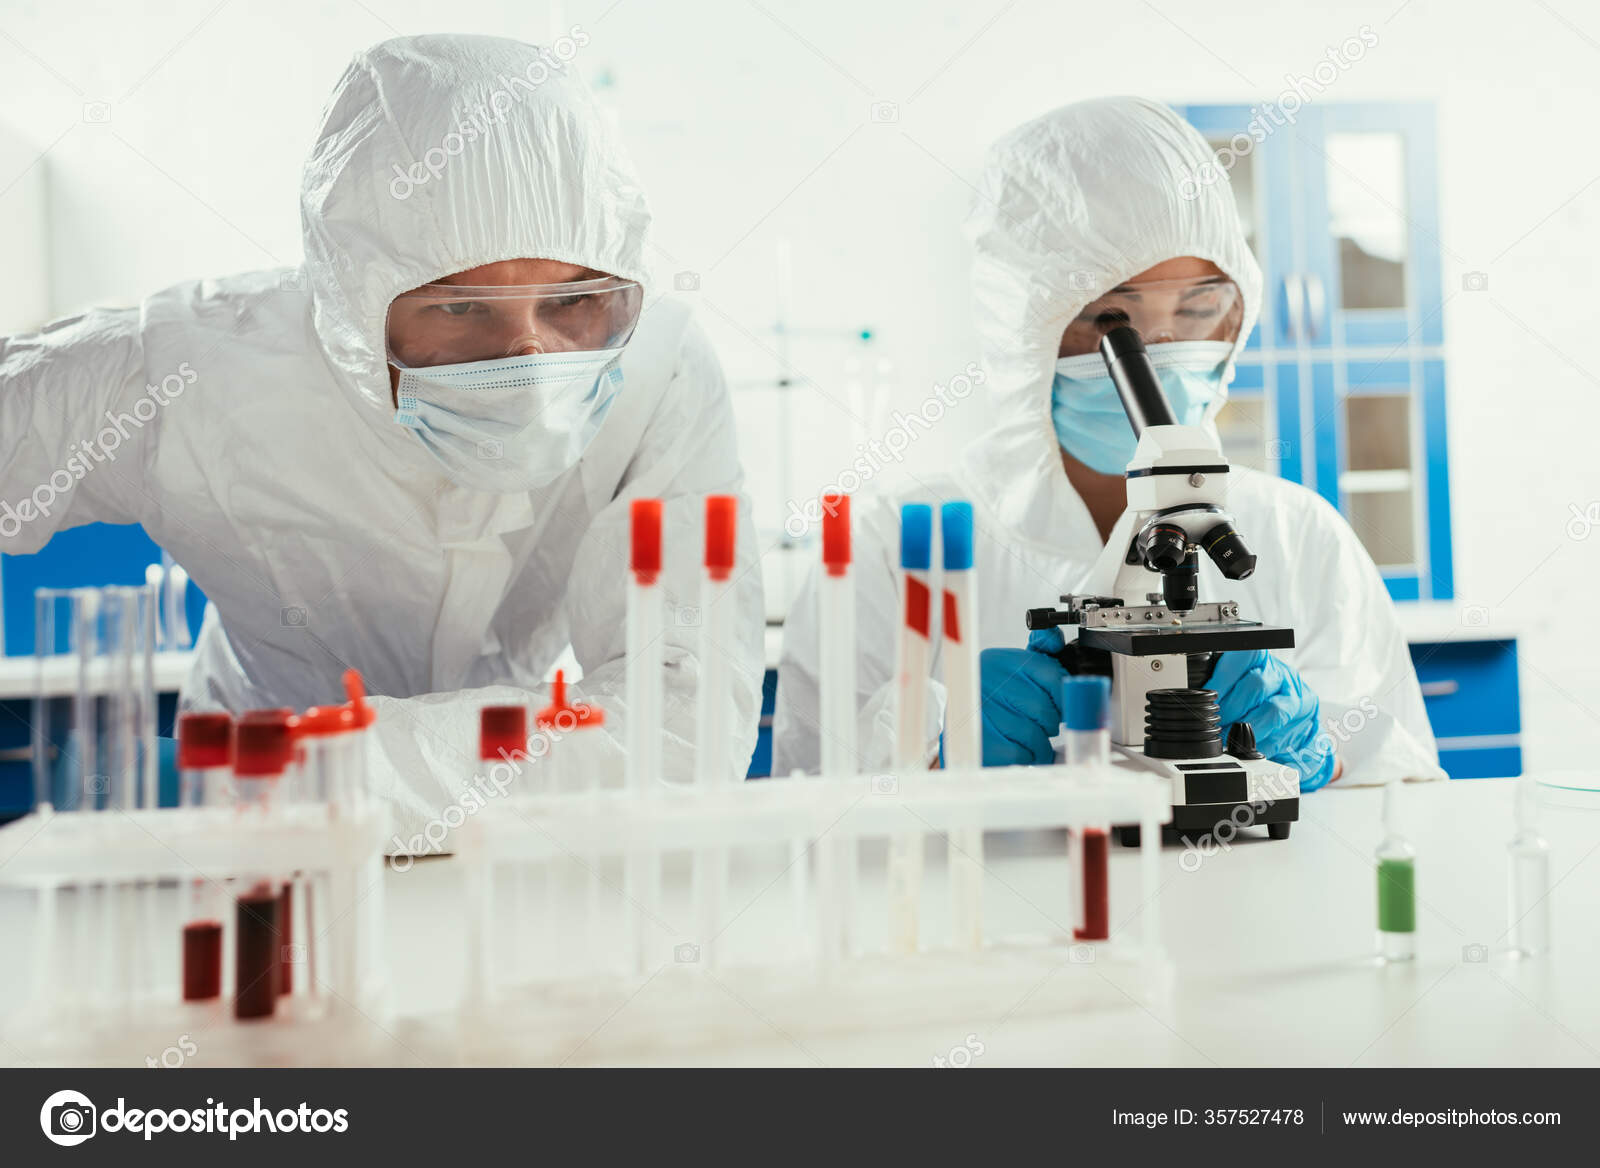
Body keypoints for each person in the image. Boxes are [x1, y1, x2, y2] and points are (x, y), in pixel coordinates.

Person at [0, 35, 765, 834]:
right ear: (354, 300)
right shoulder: (185, 377)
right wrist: (290, 789)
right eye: (461, 309)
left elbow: (685, 728)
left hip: (384, 816)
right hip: (249, 846)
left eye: (572, 302)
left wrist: (309, 767)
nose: (531, 365)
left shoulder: (658, 370)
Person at [773, 96, 1443, 790]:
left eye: (1197, 308)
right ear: (1021, 328)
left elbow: (1411, 804)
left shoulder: (1300, 535)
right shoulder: (890, 547)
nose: (1160, 352)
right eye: (1111, 318)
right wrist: (939, 764)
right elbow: (808, 818)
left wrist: (1325, 752)